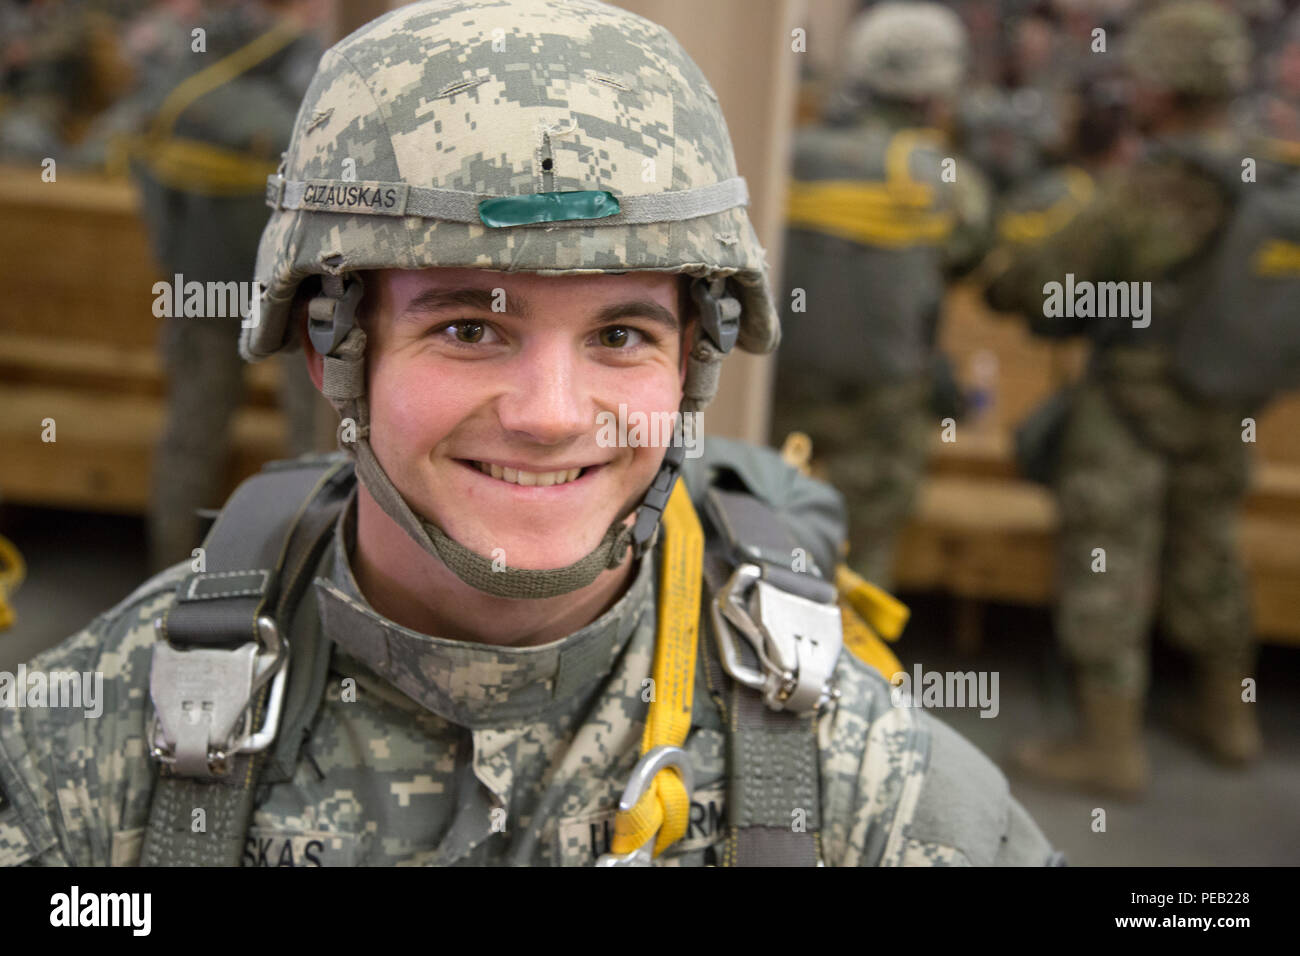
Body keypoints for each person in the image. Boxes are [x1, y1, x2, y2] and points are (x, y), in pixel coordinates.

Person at [0, 0, 1060, 867]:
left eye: (619, 333)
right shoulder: (86, 747)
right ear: (333, 351)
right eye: (469, 326)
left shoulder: (858, 779)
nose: (551, 415)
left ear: (689, 365)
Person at [984, 1, 1264, 798]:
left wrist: (1013, 275)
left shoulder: (1161, 184)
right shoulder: (1265, 171)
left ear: (1167, 87)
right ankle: (1230, 718)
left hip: (1134, 407)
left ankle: (1109, 748)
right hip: (1225, 402)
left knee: (1108, 560)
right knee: (1212, 551)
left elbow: (1045, 280)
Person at [772, 1, 992, 588]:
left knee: (763, 532)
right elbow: (971, 251)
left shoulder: (789, 151)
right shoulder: (942, 177)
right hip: (884, 401)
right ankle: (854, 669)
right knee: (862, 560)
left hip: (781, 386)